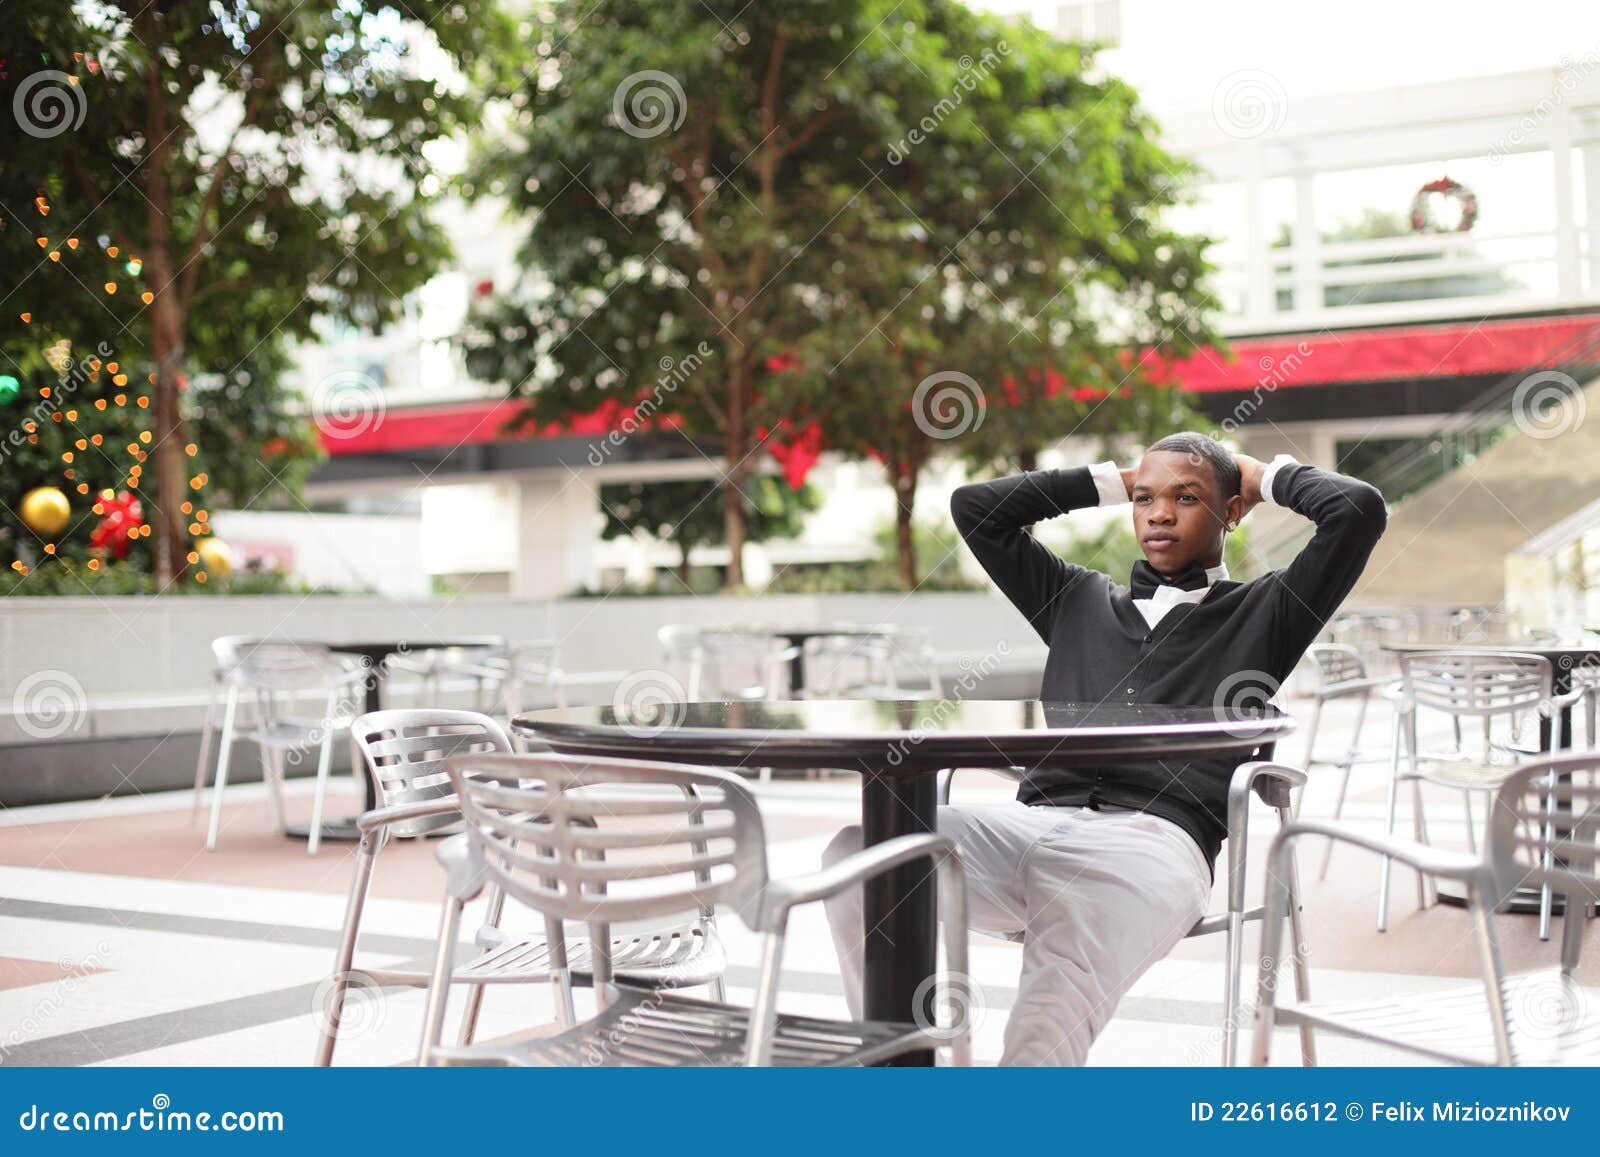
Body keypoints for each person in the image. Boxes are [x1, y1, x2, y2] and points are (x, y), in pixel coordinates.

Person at [822, 432, 1387, 1065]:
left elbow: (1357, 510)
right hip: (1028, 825)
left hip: (1152, 843)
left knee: (1056, 977)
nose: (1160, 514)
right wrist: (1119, 479)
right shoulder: (1075, 600)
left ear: (1230, 512)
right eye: (1146, 499)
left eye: (1186, 497)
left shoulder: (1266, 612)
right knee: (857, 856)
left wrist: (1261, 476)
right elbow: (974, 508)